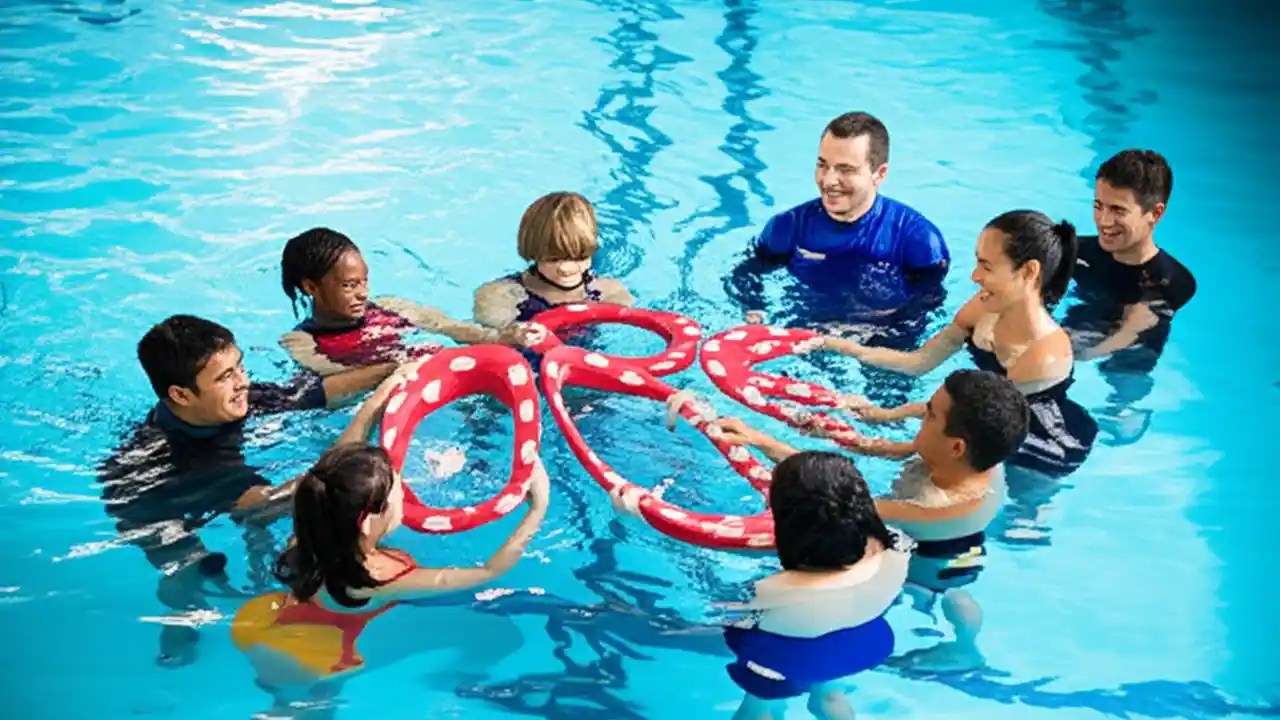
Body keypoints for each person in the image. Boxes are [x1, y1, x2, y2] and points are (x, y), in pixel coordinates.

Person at [230, 378, 550, 707]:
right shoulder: (379, 578)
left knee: (284, 699)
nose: (405, 491)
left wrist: (382, 395)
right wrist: (537, 509)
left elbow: (330, 466)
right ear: (367, 521)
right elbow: (489, 571)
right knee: (314, 703)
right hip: (324, 650)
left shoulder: (309, 529)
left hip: (269, 622)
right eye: (398, 491)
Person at [98, 314, 395, 667]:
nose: (243, 382)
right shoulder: (176, 460)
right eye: (226, 377)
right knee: (189, 570)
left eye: (240, 367)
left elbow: (323, 393)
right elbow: (287, 500)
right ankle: (179, 620)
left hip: (219, 471)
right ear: (180, 394)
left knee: (270, 542)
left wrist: (393, 371)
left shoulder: (234, 398)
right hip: (148, 505)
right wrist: (369, 414)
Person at [712, 369, 1031, 672]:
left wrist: (763, 442)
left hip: (930, 562)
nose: (922, 415)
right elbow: (886, 450)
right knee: (956, 592)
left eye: (930, 414)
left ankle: (964, 647)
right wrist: (833, 430)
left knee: (941, 593)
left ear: (956, 446)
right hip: (963, 546)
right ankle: (965, 639)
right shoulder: (974, 457)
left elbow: (834, 494)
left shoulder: (937, 508)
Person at [724, 111, 949, 406]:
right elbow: (745, 273)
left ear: (879, 174)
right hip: (805, 330)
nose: (829, 180)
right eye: (822, 165)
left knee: (882, 411)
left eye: (845, 169)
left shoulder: (918, 239)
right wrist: (754, 310)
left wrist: (872, 336)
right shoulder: (788, 227)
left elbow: (928, 304)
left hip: (884, 340)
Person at [712, 451, 909, 720]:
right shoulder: (894, 548)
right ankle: (827, 698)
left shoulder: (775, 589)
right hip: (862, 645)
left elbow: (724, 612)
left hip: (785, 660)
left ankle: (760, 708)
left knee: (758, 703)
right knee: (830, 687)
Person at [1063, 150, 1197, 445]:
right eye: (1098, 206)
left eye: (1118, 210)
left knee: (1126, 399)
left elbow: (1131, 333)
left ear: (1155, 213)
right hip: (1077, 330)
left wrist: (1079, 356)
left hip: (1129, 356)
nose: (1103, 221)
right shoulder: (1076, 253)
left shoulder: (1173, 281)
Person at [279, 227, 527, 376]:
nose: (363, 293)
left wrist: (498, 338)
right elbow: (333, 375)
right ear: (311, 287)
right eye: (349, 285)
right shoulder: (301, 341)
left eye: (364, 281)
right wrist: (396, 366)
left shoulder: (390, 308)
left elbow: (447, 326)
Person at [473, 191, 634, 331]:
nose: (566, 268)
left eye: (578, 256)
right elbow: (486, 343)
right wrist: (511, 336)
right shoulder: (502, 296)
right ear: (534, 251)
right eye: (553, 259)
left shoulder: (609, 293)